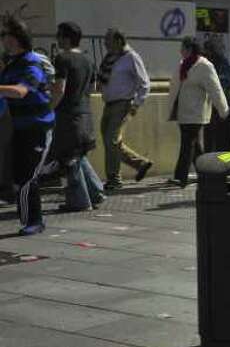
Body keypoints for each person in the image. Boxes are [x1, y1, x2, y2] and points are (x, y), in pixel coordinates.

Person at [0, 16, 55, 234]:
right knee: (19, 175)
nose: (3, 40)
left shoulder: (32, 64)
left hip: (38, 129)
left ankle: (34, 221)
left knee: (27, 176)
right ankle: (31, 219)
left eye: (6, 36)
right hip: (21, 128)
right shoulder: (12, 64)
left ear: (17, 39)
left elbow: (20, 92)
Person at [49, 22, 104, 212]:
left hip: (68, 117)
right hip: (85, 113)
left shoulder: (62, 59)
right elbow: (94, 87)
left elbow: (59, 90)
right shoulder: (88, 61)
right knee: (78, 155)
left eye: (59, 35)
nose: (57, 39)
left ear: (66, 38)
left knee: (69, 158)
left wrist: (49, 108)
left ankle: (80, 201)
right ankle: (96, 192)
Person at [165, 37, 230, 187]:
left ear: (190, 49)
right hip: (183, 112)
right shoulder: (183, 65)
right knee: (195, 148)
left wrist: (223, 109)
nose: (180, 51)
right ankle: (208, 175)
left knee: (187, 144)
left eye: (183, 48)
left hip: (196, 113)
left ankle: (180, 177)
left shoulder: (204, 66)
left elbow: (215, 89)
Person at [97, 27, 152, 190]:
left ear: (119, 41)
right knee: (111, 141)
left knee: (111, 140)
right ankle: (141, 164)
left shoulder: (131, 57)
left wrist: (136, 105)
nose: (105, 43)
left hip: (123, 103)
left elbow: (144, 83)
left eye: (108, 40)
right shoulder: (109, 58)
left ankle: (114, 179)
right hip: (108, 103)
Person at [202, 38, 230, 153]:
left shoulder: (222, 61)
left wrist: (215, 81)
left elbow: (229, 79)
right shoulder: (204, 62)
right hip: (208, 104)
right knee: (209, 134)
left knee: (222, 134)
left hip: (221, 101)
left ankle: (223, 155)